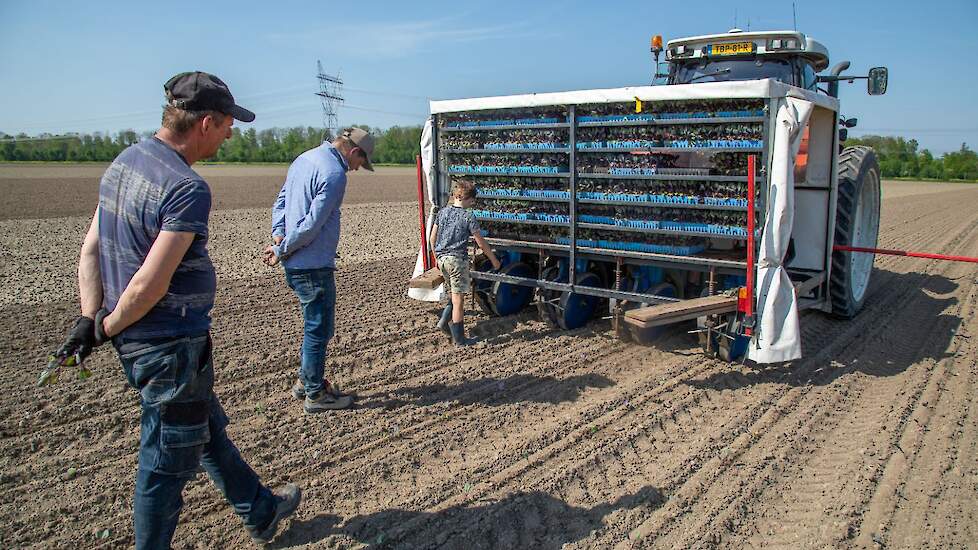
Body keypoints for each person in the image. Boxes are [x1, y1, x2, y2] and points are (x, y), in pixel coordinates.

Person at [51, 71, 300, 548]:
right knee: (165, 464)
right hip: (166, 345)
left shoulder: (124, 163)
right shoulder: (186, 187)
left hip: (150, 342)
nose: (232, 133)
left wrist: (90, 318)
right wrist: (105, 326)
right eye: (229, 123)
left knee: (203, 428)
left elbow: (91, 249)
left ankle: (261, 510)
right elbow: (149, 282)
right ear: (206, 122)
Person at [263, 128, 375, 413]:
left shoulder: (303, 159)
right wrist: (282, 248)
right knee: (318, 329)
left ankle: (306, 381)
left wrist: (278, 235)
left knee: (317, 327)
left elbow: (281, 202)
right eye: (360, 162)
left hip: (297, 262)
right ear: (354, 152)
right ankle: (315, 394)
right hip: (312, 263)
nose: (357, 168)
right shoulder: (334, 174)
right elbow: (312, 225)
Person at [429, 180, 501, 346]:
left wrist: (436, 259)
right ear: (469, 199)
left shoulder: (443, 212)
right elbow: (481, 243)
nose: (473, 204)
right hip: (457, 262)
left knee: (455, 294)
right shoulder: (468, 216)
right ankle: (460, 339)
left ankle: (443, 322)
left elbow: (432, 238)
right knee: (458, 301)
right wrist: (494, 261)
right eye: (473, 201)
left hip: (442, 260)